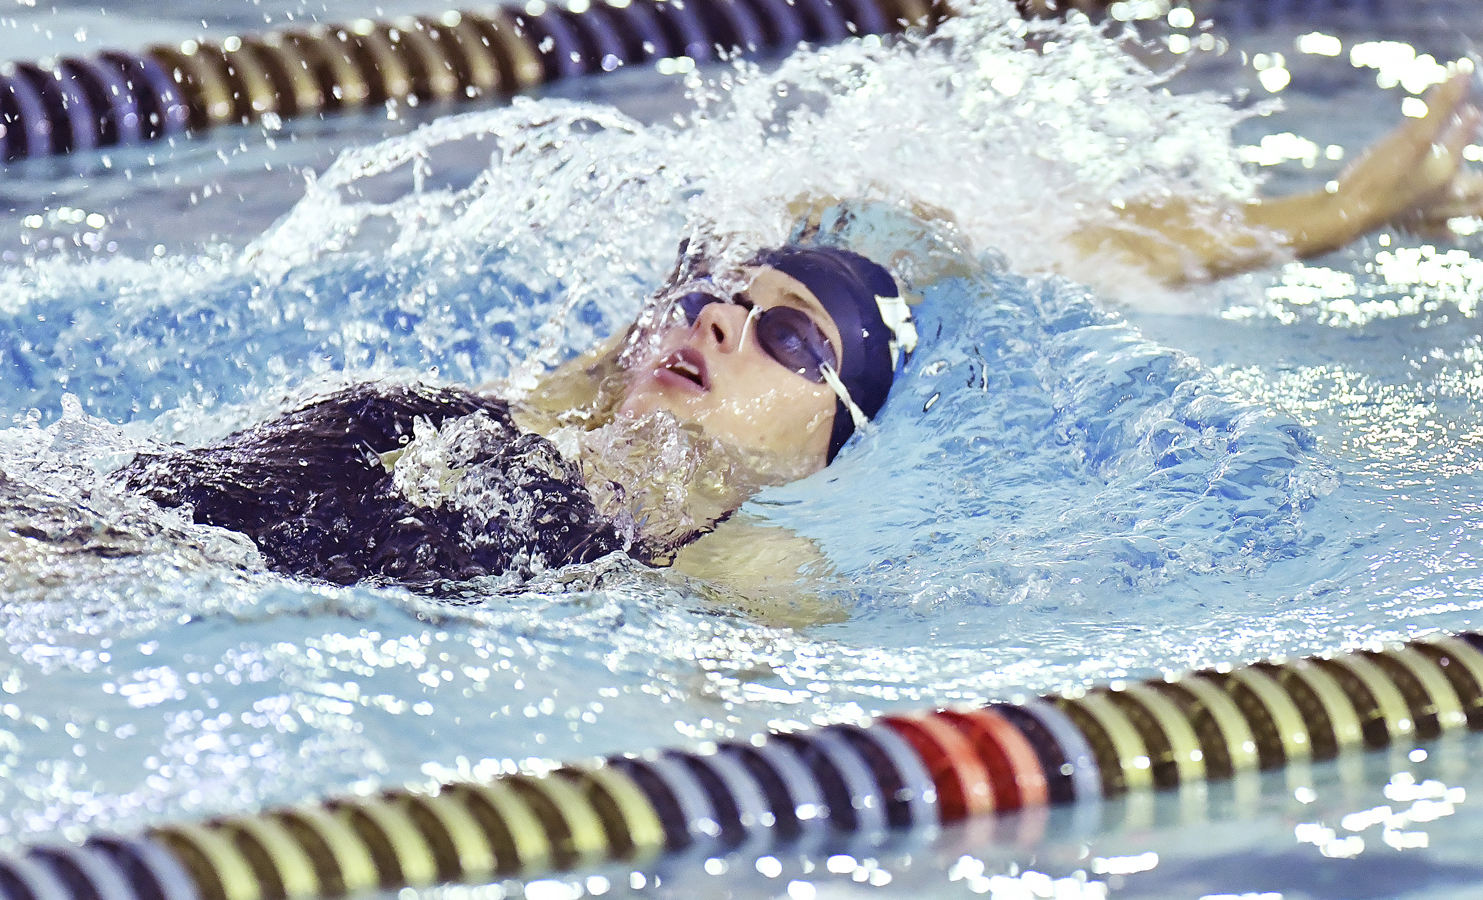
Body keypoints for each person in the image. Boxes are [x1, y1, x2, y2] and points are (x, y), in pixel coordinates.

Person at [121, 71, 1483, 617]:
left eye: (788, 336)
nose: (721, 317)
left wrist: (1340, 211)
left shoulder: (733, 560)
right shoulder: (553, 412)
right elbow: (843, 209)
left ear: (833, 443)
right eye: (718, 298)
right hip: (90, 513)